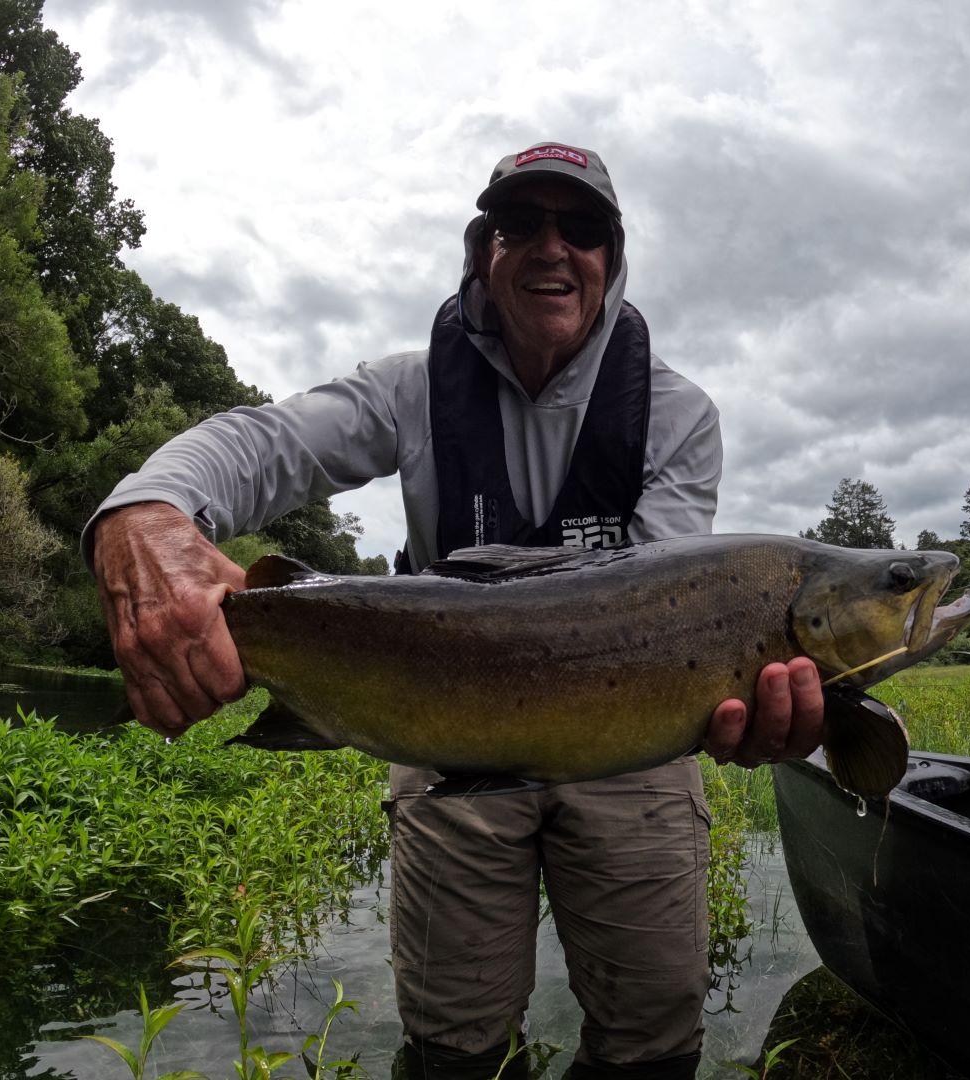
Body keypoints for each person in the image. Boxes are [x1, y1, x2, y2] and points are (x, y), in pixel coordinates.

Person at [86, 142, 824, 1078]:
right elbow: (266, 443)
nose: (554, 249)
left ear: (615, 255)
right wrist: (141, 511)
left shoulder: (679, 415)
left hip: (629, 746)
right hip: (442, 725)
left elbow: (671, 613)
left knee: (653, 1039)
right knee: (453, 1048)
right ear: (484, 249)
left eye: (583, 228)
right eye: (523, 225)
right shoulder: (409, 388)